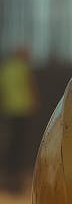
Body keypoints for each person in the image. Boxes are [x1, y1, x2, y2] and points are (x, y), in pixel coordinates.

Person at [0, 46, 37, 192]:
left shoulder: (6, 68)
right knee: (21, 144)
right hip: (23, 110)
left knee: (11, 144)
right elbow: (30, 86)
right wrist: (34, 102)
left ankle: (8, 175)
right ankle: (18, 179)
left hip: (9, 110)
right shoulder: (23, 67)